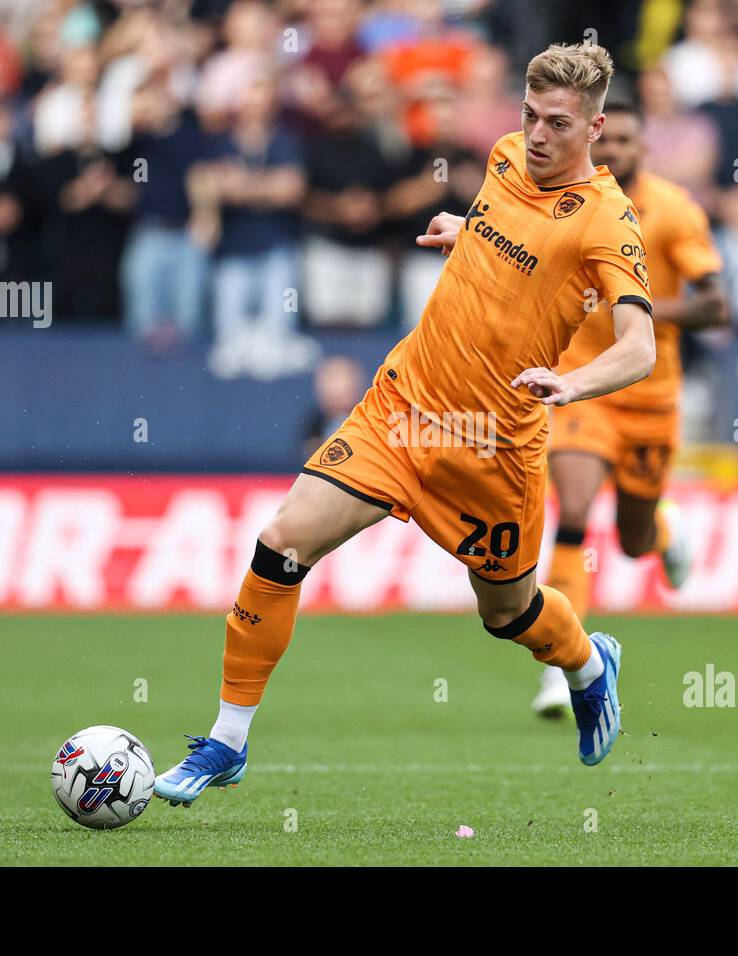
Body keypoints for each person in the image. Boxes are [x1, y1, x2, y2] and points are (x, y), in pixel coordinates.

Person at [154, 42, 657, 806]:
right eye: (530, 115)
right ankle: (227, 740)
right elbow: (511, 241)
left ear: (594, 127)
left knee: (509, 613)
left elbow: (639, 347)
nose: (539, 134)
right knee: (283, 542)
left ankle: (588, 664)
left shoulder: (606, 222)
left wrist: (571, 382)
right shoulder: (505, 158)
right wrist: (471, 232)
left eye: (558, 123)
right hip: (404, 408)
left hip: (491, 448)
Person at [534, 97, 729, 717]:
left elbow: (716, 306)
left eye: (625, 139)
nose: (613, 149)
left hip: (650, 396)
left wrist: (633, 306)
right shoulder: (565, 201)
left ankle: (663, 529)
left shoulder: (673, 211)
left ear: (643, 146)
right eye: (605, 139)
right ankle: (562, 662)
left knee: (632, 539)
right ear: (591, 140)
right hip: (582, 387)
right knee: (574, 511)